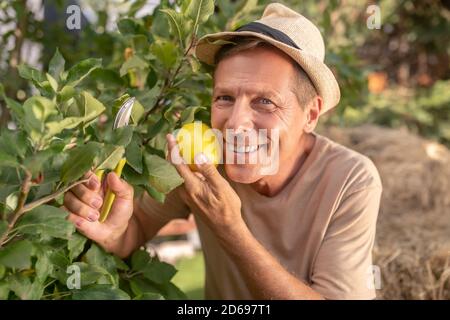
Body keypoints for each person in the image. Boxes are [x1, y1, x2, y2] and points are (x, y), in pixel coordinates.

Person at [63, 3, 382, 299]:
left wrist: (230, 229)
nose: (236, 124)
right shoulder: (200, 162)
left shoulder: (350, 179)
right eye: (225, 98)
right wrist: (113, 227)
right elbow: (133, 231)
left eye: (265, 101)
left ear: (311, 115)